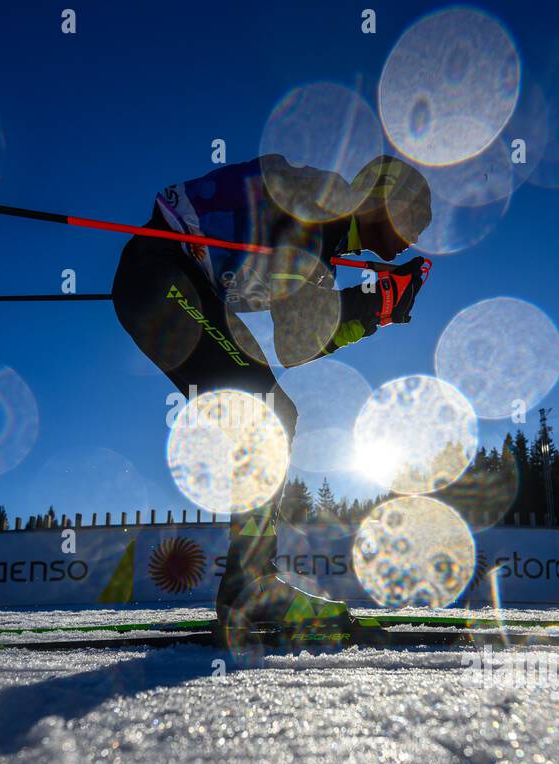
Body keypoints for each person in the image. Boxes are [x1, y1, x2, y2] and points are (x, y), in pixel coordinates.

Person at [112, 154, 433, 634]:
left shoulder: (326, 230)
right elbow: (297, 339)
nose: (412, 236)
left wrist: (374, 306)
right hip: (163, 276)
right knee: (268, 412)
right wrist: (376, 304)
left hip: (172, 279)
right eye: (411, 220)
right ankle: (248, 586)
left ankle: (250, 582)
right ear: (382, 203)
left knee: (270, 411)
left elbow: (299, 338)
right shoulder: (324, 211)